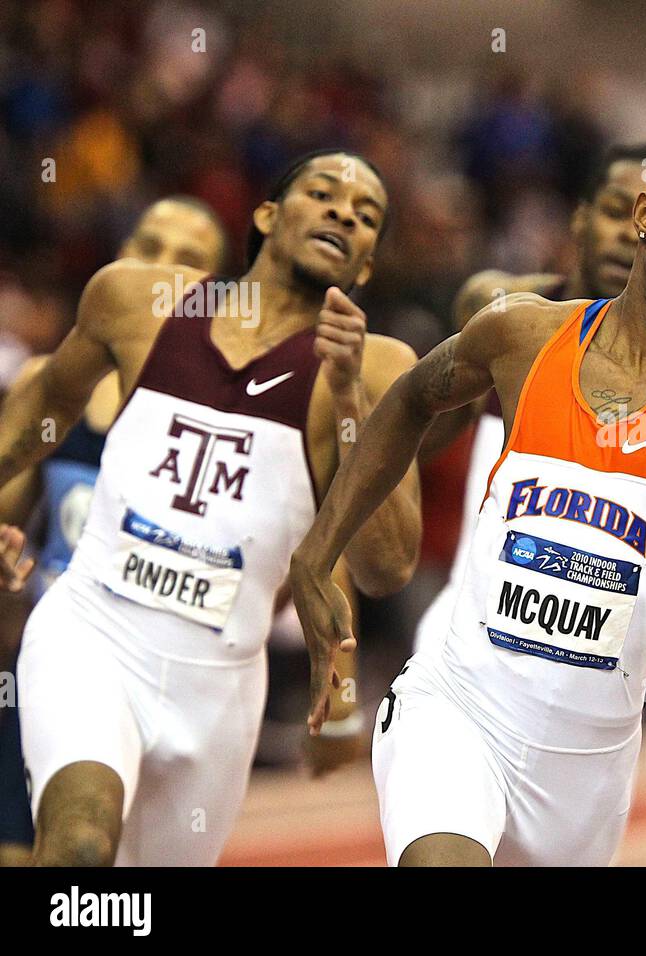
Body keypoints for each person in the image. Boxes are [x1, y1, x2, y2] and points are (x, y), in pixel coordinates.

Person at [291, 141, 646, 866]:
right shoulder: (524, 333)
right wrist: (316, 555)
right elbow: (407, 401)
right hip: (458, 706)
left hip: (585, 778)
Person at [0, 149, 422, 866]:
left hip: (219, 682)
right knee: (76, 846)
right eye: (322, 194)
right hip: (93, 633)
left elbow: (385, 567)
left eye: (365, 215)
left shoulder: (379, 367)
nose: (342, 213)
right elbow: (37, 417)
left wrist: (350, 398)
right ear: (266, 216)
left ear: (367, 267)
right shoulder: (138, 302)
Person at [415, 142, 646, 682]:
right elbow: (419, 442)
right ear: (579, 218)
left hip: (610, 654)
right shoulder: (503, 311)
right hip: (468, 623)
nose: (627, 233)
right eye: (614, 211)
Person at [0, 196, 228, 867]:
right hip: (54, 669)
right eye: (148, 247)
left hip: (177, 684)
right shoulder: (53, 382)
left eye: (187, 261)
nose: (160, 271)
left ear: (216, 292)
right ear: (121, 255)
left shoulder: (238, 411)